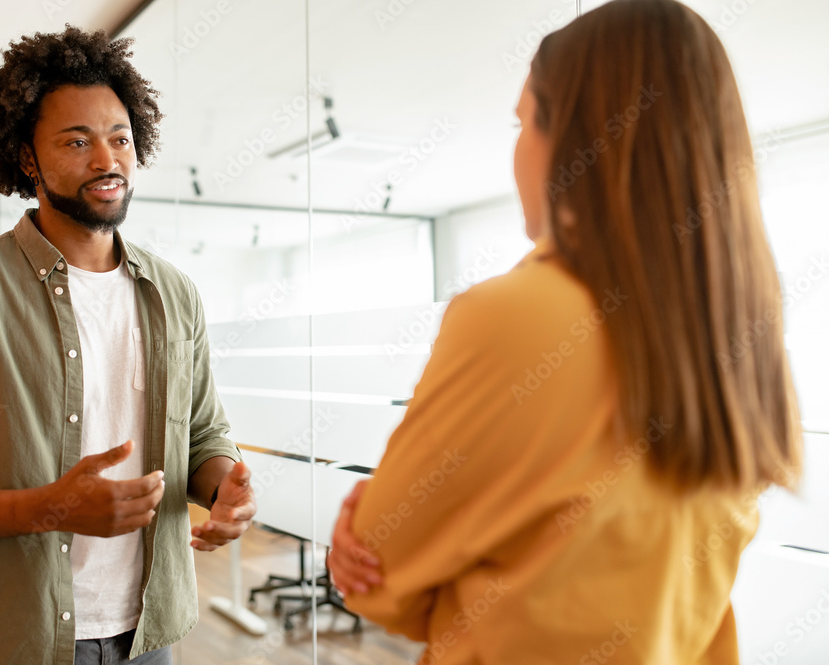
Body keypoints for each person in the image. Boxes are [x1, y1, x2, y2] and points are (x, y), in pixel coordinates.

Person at [327, 1, 803, 663]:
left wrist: (378, 526)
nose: (517, 149)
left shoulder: (514, 315)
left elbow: (379, 574)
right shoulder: (743, 326)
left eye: (524, 122)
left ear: (579, 142)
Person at [0, 27, 255, 665]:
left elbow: (205, 434)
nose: (108, 160)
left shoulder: (175, 293)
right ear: (25, 157)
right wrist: (47, 508)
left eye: (120, 138)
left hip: (153, 633)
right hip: (16, 639)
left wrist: (225, 487)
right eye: (77, 141)